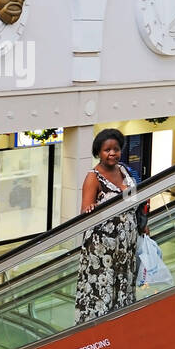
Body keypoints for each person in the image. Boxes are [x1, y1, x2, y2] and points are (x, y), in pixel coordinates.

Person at [74, 128, 141, 323]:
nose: (112, 153)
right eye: (107, 150)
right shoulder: (93, 177)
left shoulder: (124, 170)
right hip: (102, 250)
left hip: (126, 244)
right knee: (102, 288)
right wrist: (95, 207)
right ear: (98, 152)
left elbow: (135, 199)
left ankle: (121, 322)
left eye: (116, 149)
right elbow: (85, 210)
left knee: (123, 284)